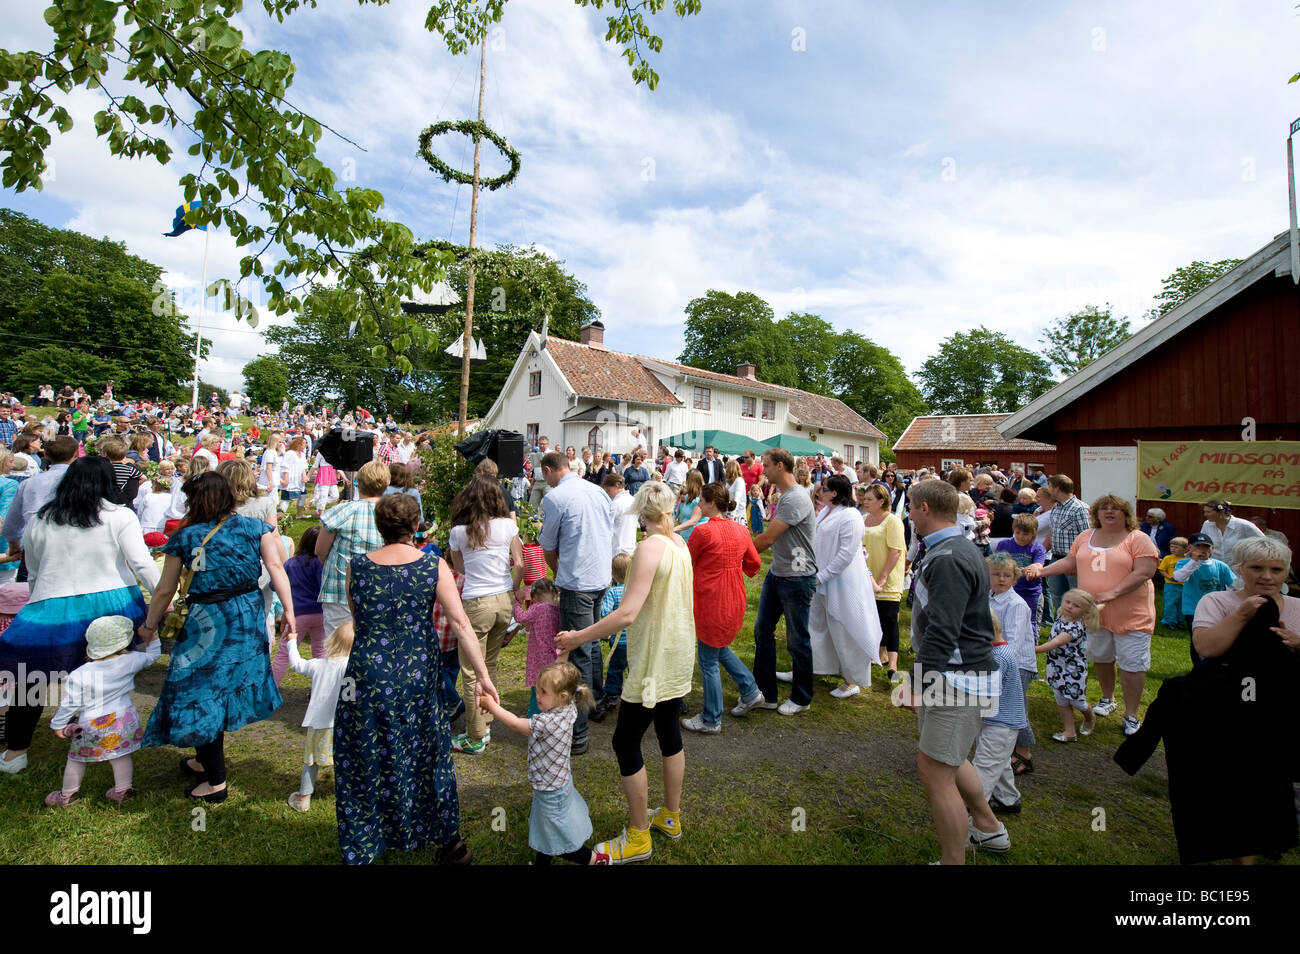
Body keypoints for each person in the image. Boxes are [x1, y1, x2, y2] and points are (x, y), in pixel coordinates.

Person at [335, 492, 496, 864]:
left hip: (366, 674)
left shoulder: (357, 566)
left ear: (380, 526)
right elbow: (461, 622)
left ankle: (367, 842)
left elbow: (357, 619)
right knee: (425, 751)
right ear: (415, 525)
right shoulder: (431, 565)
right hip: (417, 672)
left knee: (365, 752)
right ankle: (447, 842)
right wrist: (483, 675)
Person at [555, 481, 694, 864]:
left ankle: (638, 837)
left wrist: (577, 637)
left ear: (639, 513)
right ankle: (670, 815)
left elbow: (627, 613)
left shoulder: (650, 547)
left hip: (654, 659)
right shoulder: (679, 544)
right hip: (676, 653)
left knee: (625, 741)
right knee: (669, 731)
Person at [138, 472, 294, 802]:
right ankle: (203, 758)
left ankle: (216, 782)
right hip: (246, 617)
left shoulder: (187, 536)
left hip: (205, 622)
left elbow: (166, 588)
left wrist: (149, 625)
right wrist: (288, 611)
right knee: (222, 688)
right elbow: (277, 568)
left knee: (200, 692)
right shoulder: (255, 528)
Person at [0, 457, 160, 776]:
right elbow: (141, 564)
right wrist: (162, 598)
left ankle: (16, 751)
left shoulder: (42, 519)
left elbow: (33, 569)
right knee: (105, 675)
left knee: (31, 678)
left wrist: (39, 600)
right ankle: (105, 739)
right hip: (113, 603)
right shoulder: (119, 516)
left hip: (51, 603)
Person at [902, 477, 1007, 864]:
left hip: (957, 676)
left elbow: (944, 630)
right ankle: (989, 826)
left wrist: (916, 682)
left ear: (924, 509)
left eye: (912, 507)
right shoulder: (957, 547)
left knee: (935, 769)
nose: (909, 513)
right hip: (957, 673)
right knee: (949, 756)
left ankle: (953, 860)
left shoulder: (947, 558)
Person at [1025, 494, 1158, 737]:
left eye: (1115, 509)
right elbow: (1070, 561)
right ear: (1095, 513)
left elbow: (1144, 572)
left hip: (1132, 614)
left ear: (1126, 514)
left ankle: (1131, 715)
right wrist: (1040, 571)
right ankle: (1108, 699)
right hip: (1092, 615)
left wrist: (1113, 592)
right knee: (1102, 658)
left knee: (1132, 665)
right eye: (1103, 508)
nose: (1109, 512)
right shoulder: (1086, 536)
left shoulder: (1138, 539)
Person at [478, 661, 610, 865]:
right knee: (546, 832)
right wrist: (562, 650)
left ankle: (594, 860)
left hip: (551, 790)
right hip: (558, 783)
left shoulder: (547, 722)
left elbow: (514, 724)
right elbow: (563, 674)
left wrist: (492, 706)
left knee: (561, 842)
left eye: (543, 692)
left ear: (562, 696)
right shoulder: (569, 707)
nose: (537, 696)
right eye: (538, 690)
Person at [537, 449, 614, 755]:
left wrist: (560, 573)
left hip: (579, 581)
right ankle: (596, 704)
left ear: (547, 471)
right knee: (591, 645)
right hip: (598, 576)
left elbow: (548, 546)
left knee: (578, 652)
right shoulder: (596, 490)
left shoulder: (555, 498)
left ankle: (578, 730)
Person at [43, 615, 162, 806]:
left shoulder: (80, 674)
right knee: (120, 755)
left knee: (76, 758)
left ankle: (67, 796)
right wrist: (152, 637)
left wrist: (58, 724)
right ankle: (123, 790)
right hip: (124, 718)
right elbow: (154, 655)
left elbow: (71, 703)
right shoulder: (131, 660)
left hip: (91, 723)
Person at [445, 475, 523, 754]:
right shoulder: (508, 526)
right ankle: (485, 723)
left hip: (477, 601)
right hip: (503, 600)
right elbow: (521, 563)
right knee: (488, 666)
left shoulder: (459, 532)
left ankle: (476, 736)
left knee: (470, 672)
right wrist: (511, 589)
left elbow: (459, 568)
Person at [789, 473, 881, 699]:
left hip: (842, 582)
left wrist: (824, 575)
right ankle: (810, 668)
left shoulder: (851, 516)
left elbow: (847, 553)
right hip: (820, 578)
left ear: (835, 493)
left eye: (825, 488)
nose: (820, 491)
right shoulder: (829, 511)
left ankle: (853, 680)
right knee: (815, 625)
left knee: (844, 629)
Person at [682, 482, 762, 733]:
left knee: (707, 659)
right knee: (718, 647)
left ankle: (711, 718)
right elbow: (754, 563)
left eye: (701, 502)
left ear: (711, 503)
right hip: (733, 595)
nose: (698, 505)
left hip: (710, 598)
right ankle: (750, 690)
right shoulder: (740, 530)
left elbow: (686, 563)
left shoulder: (702, 532)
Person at [744, 448, 818, 716]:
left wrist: (736, 557)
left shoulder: (795, 498)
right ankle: (767, 694)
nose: (762, 470)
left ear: (780, 466)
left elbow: (766, 539)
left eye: (765, 465)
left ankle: (802, 697)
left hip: (797, 577)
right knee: (762, 631)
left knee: (798, 640)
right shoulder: (787, 496)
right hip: (779, 573)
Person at [285, 622, 353, 812]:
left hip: (318, 724)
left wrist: (292, 642)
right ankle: (347, 796)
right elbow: (351, 697)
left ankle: (303, 797)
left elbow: (296, 664)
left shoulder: (318, 665)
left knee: (311, 760)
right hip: (342, 724)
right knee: (345, 760)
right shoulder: (350, 668)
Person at [315, 460, 388, 633]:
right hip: (378, 589)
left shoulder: (343, 510)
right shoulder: (391, 513)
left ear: (358, 482)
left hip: (339, 589)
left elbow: (320, 552)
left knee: (337, 651)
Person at [987, 552, 1037, 777]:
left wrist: (1002, 664)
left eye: (1007, 575)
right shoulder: (989, 598)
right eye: (996, 574)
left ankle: (1024, 752)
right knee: (1005, 706)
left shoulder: (1016, 604)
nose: (1001, 579)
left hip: (1017, 664)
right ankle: (1006, 747)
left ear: (1015, 579)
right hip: (997, 659)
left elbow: (1014, 641)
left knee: (1016, 707)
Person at [972, 613, 1027, 815]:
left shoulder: (998, 658)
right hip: (999, 720)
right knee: (1000, 761)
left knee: (985, 764)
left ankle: (975, 805)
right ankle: (1008, 799)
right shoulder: (1000, 652)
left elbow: (986, 691)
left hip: (1001, 723)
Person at [860, 482, 906, 683]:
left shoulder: (893, 521)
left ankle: (893, 663)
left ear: (882, 501)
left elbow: (896, 551)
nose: (865, 502)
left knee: (889, 618)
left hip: (887, 577)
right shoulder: (862, 519)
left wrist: (883, 577)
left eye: (870, 499)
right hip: (866, 576)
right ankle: (876, 652)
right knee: (871, 617)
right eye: (865, 498)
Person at [271, 525, 327, 684]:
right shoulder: (321, 564)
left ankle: (272, 689)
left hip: (297, 615)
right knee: (320, 652)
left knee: (283, 653)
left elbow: (275, 585)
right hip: (320, 613)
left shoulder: (291, 563)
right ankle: (318, 689)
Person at [1172, 532, 1236, 665]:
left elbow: (1234, 585)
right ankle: (1198, 668)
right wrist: (1194, 561)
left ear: (1211, 548)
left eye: (1205, 547)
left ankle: (1215, 665)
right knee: (1198, 640)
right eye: (1198, 546)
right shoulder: (1184, 564)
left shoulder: (1220, 566)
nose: (1202, 550)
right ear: (1190, 548)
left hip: (1217, 610)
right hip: (1193, 610)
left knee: (1218, 638)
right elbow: (1179, 577)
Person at [513, 578, 563, 718]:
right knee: (552, 686)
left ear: (535, 596)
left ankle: (534, 716)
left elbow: (520, 617)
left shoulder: (537, 608)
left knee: (538, 688)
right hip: (554, 655)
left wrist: (517, 603)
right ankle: (552, 713)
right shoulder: (558, 609)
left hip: (538, 656)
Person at [592, 552, 631, 722]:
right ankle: (636, 693)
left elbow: (604, 612)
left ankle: (613, 695)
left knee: (615, 669)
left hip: (618, 642)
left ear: (613, 574)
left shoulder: (613, 592)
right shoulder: (635, 590)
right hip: (634, 641)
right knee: (634, 668)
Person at [1199, 499, 1263, 562]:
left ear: (1221, 512)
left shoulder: (1243, 525)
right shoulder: (1207, 524)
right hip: (1216, 568)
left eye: (1208, 512)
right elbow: (1202, 543)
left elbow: (1264, 542)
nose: (1205, 514)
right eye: (1204, 512)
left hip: (1237, 569)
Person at [1158, 536, 1189, 630]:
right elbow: (1162, 570)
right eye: (1172, 546)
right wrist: (1168, 577)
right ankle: (1169, 621)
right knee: (1171, 603)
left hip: (1183, 585)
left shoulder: (1187, 559)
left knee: (1181, 604)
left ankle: (1179, 620)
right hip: (1171, 585)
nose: (1173, 549)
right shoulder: (1168, 558)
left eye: (1176, 547)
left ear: (1185, 549)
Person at [603, 472, 638, 557]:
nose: (608, 493)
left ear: (617, 485)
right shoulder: (633, 501)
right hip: (631, 547)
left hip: (617, 550)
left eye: (608, 490)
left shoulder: (615, 504)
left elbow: (606, 529)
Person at [672, 470, 706, 542]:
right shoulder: (687, 496)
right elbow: (677, 512)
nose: (686, 483)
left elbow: (693, 521)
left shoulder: (700, 499)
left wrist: (674, 529)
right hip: (685, 535)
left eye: (687, 481)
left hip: (697, 536)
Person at [725, 460, 747, 526]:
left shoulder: (739, 481)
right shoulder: (729, 482)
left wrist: (732, 515)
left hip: (737, 514)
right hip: (728, 512)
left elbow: (737, 498)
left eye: (726, 467)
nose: (725, 469)